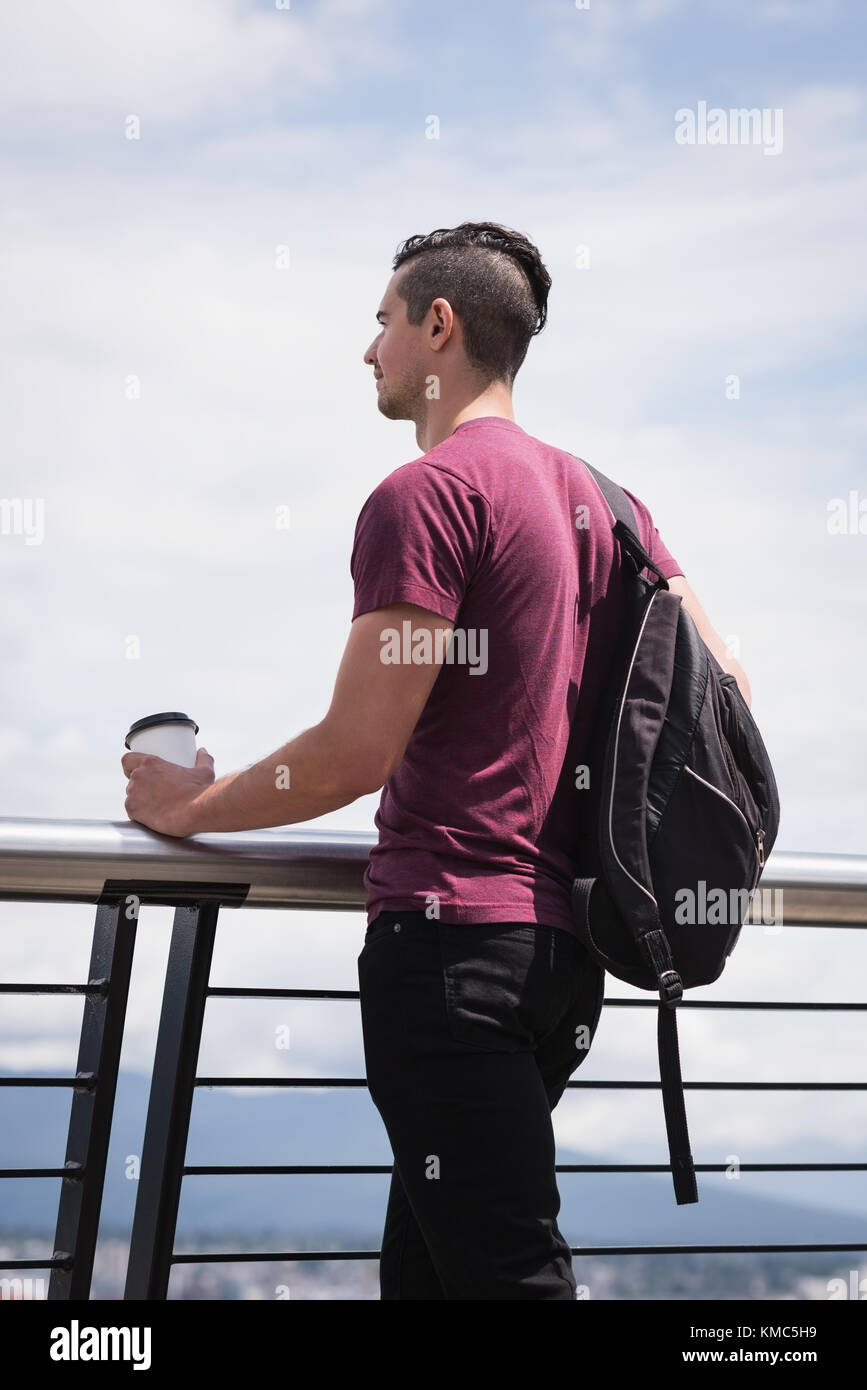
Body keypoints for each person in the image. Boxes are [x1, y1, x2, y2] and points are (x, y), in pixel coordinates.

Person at [122, 220, 751, 1300]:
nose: (369, 351)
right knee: (430, 1270)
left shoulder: (427, 497)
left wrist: (190, 806)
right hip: (567, 960)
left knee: (504, 1277)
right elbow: (724, 688)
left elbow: (353, 752)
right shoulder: (617, 510)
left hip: (452, 949)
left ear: (440, 326)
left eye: (382, 322)